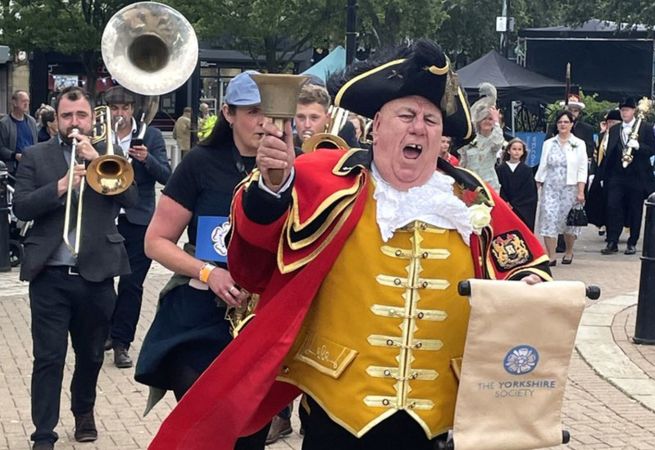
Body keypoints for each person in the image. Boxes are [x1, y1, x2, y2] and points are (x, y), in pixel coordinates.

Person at [148, 39, 552, 450]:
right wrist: (272, 184)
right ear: (376, 125)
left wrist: (529, 288)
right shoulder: (326, 178)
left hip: (436, 413)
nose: (419, 128)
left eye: (431, 120)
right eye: (407, 115)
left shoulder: (470, 197)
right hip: (337, 404)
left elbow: (522, 261)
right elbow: (254, 256)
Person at [134, 71, 270, 449]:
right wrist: (207, 272)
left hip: (260, 323)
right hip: (200, 317)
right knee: (207, 429)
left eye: (270, 112)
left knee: (249, 435)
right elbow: (156, 241)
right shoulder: (199, 163)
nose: (264, 122)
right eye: (253, 111)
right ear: (228, 113)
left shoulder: (289, 168)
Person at [13, 86, 139, 450]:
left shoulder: (110, 153)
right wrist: (60, 186)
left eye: (80, 115)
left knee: (92, 354)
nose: (74, 122)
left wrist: (97, 157)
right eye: (66, 116)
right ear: (56, 119)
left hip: (97, 273)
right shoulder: (37, 156)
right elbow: (21, 207)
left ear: (91, 118)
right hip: (50, 275)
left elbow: (132, 199)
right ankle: (44, 433)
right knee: (48, 357)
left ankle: (83, 411)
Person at [103, 86, 172, 369]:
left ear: (133, 109)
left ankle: (121, 343)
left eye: (125, 108)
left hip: (139, 218)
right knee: (102, 283)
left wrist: (147, 159)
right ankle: (105, 332)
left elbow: (167, 176)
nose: (120, 114)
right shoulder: (100, 136)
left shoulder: (150, 135)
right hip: (105, 218)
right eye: (115, 109)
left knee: (132, 285)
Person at [596, 97, 655, 255]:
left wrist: (638, 146)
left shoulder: (645, 127)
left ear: (634, 111)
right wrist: (603, 176)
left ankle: (632, 242)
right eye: (622, 110)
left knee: (635, 208)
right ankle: (612, 241)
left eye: (627, 110)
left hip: (636, 176)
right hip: (617, 176)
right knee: (612, 206)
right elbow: (608, 153)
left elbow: (651, 150)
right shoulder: (615, 129)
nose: (624, 113)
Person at [536, 111, 588, 264]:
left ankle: (569, 251)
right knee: (549, 218)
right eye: (560, 122)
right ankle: (551, 255)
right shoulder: (549, 143)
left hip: (570, 188)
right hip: (551, 187)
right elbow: (543, 166)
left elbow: (582, 169)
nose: (563, 125)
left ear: (572, 124)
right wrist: (537, 184)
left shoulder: (579, 144)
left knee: (568, 222)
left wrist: (581, 191)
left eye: (566, 122)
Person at [457, 82, 503, 191]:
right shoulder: (471, 139)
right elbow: (463, 159)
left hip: (490, 184)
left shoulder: (493, 139)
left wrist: (496, 121)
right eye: (484, 118)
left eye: (490, 119)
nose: (487, 121)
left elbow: (498, 142)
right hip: (470, 183)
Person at [586, 109, 621, 234]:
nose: (611, 125)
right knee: (601, 200)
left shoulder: (622, 136)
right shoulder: (602, 136)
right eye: (609, 122)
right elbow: (596, 155)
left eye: (614, 122)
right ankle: (602, 223)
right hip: (602, 173)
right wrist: (593, 173)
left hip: (616, 174)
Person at [496, 138, 537, 231]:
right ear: (509, 151)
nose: (517, 152)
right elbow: (498, 186)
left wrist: (514, 204)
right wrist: (505, 201)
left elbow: (529, 192)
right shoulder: (500, 169)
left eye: (519, 149)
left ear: (523, 152)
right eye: (514, 149)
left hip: (522, 207)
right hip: (504, 205)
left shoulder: (527, 170)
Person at [0, 90, 37, 174]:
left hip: (32, 166)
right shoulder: (4, 124)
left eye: (28, 101)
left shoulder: (32, 122)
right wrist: (15, 155)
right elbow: (1, 148)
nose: (26, 104)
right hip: (14, 168)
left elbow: (36, 143)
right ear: (14, 103)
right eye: (23, 101)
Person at [295, 83, 332, 150]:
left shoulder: (338, 149)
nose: (307, 125)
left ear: (328, 118)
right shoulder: (283, 148)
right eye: (301, 117)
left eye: (314, 117)